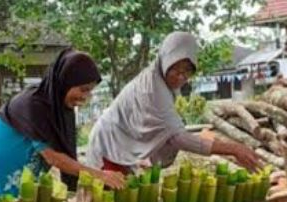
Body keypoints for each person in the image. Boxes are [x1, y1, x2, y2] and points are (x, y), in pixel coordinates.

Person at [0, 49, 125, 202]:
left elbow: (67, 156)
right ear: (65, 81)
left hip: (14, 161)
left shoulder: (62, 110)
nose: (85, 97)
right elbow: (53, 156)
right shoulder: (34, 103)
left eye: (89, 91)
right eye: (82, 90)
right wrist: (100, 175)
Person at [84, 32, 261, 174]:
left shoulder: (162, 81)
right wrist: (233, 149)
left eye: (187, 71)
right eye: (175, 69)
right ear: (165, 60)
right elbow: (178, 137)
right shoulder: (153, 89)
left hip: (123, 146)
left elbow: (168, 128)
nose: (181, 76)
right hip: (109, 146)